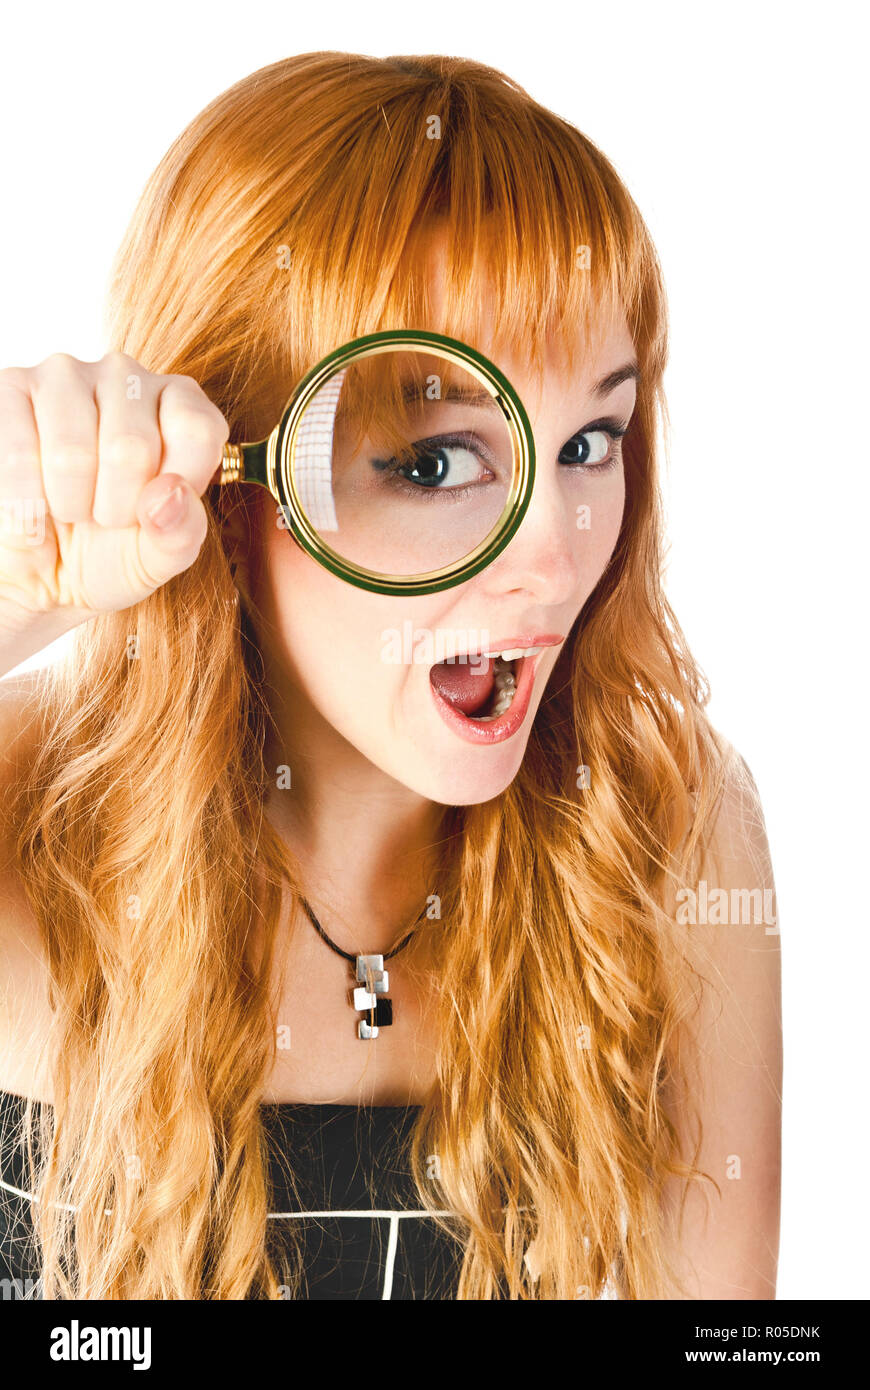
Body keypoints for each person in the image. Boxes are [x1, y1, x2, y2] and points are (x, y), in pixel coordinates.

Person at [0, 51, 781, 1300]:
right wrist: (15, 570)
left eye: (591, 441)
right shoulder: (22, 806)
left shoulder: (667, 823)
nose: (556, 553)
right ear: (234, 479)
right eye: (431, 463)